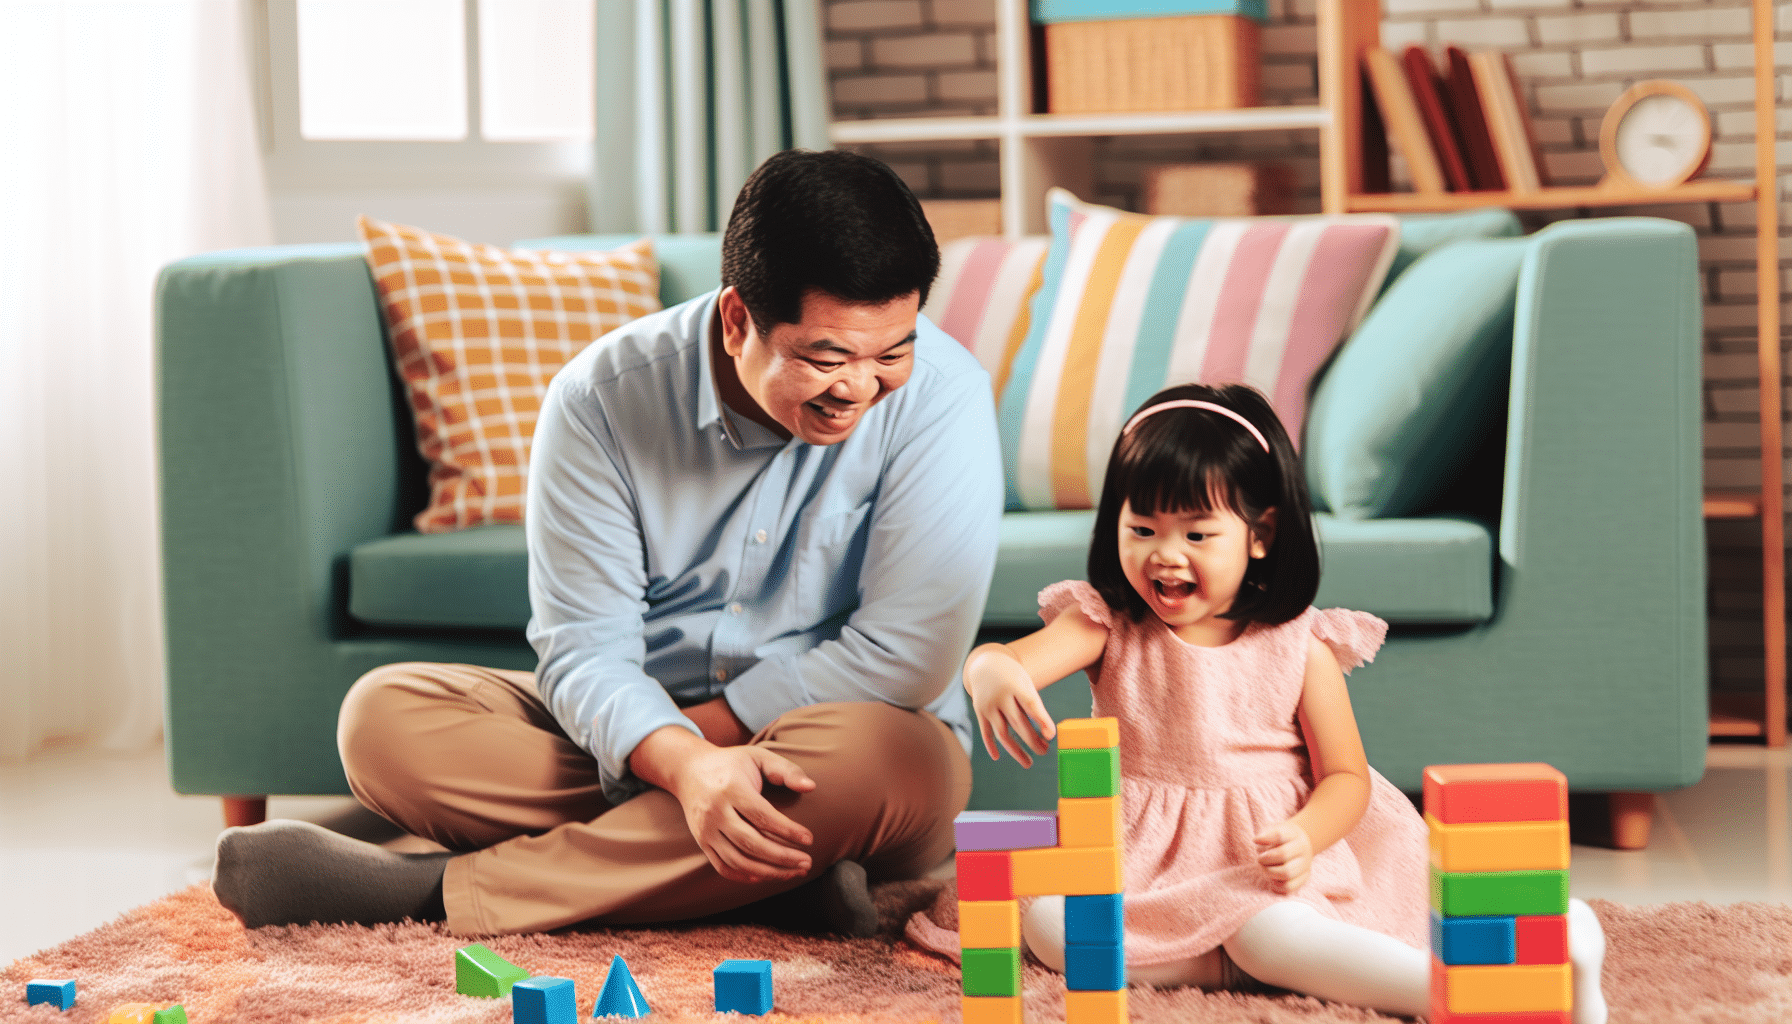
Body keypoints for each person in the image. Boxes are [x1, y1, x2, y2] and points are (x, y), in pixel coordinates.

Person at [210, 149, 1003, 939]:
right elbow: (586, 650)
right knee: (383, 721)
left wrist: (699, 739)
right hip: (649, 734)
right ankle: (764, 882)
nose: (859, 387)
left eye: (891, 353)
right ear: (738, 321)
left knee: (878, 761)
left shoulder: (945, 394)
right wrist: (681, 763)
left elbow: (905, 656)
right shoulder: (599, 401)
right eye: (827, 358)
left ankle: (427, 892)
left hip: (840, 747)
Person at [947, 382, 1608, 1023]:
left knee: (1270, 932)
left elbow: (1346, 778)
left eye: (1197, 535)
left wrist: (1306, 836)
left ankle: (1475, 986)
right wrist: (990, 671)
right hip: (1147, 869)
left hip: (1264, 864)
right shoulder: (1106, 624)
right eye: (1142, 528)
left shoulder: (1299, 644)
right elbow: (1006, 660)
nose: (1165, 555)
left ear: (1260, 534)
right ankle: (1230, 965)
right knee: (1050, 926)